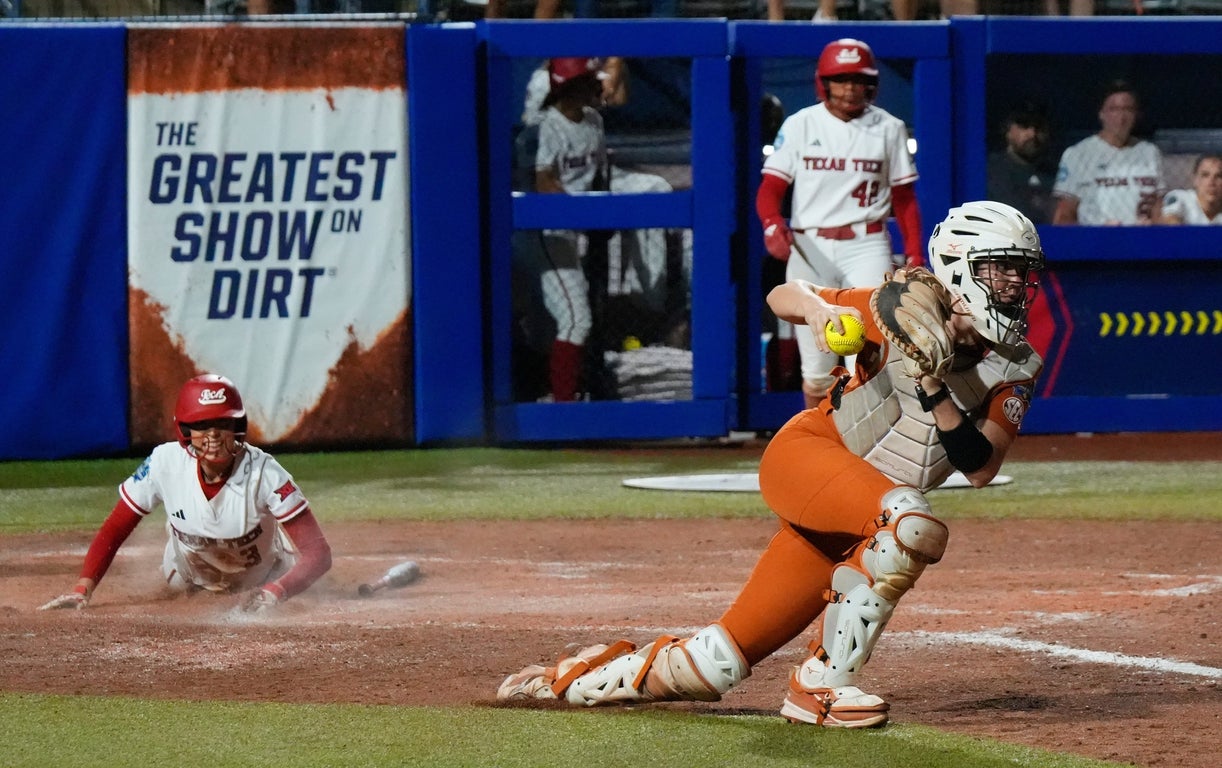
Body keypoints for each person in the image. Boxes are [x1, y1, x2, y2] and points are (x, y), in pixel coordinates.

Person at [497, 201, 1045, 728]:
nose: (1016, 286)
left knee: (716, 664)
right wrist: (821, 310)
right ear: (958, 266)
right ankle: (820, 688)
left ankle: (573, 680)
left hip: (859, 515)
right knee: (912, 524)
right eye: (1001, 270)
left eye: (1023, 274)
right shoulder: (899, 308)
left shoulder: (1016, 365)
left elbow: (979, 467)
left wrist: (933, 386)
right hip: (812, 457)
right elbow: (785, 293)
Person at [39, 374, 332, 614]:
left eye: (222, 424)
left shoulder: (265, 473)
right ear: (185, 430)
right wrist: (82, 589)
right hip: (186, 579)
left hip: (264, 578)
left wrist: (275, 592)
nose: (213, 435)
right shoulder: (164, 463)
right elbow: (115, 529)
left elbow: (318, 554)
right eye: (202, 425)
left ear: (238, 428)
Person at [756, 38, 923, 409]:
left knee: (869, 356)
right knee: (815, 367)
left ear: (872, 84)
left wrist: (914, 249)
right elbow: (770, 189)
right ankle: (818, 441)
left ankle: (868, 445)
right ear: (824, 83)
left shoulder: (889, 127)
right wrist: (771, 223)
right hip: (809, 245)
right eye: (841, 79)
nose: (849, 88)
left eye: (857, 79)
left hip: (866, 243)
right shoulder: (800, 123)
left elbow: (905, 199)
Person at [530, 56, 674, 401]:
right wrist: (582, 216)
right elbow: (544, 181)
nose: (597, 86)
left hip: (582, 230)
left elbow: (600, 172)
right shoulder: (546, 125)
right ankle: (563, 411)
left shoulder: (593, 119)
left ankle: (573, 396)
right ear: (568, 87)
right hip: (550, 234)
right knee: (575, 320)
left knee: (575, 321)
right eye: (587, 81)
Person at [1052, 79, 1165, 226]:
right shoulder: (1078, 153)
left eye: (1128, 109)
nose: (1121, 117)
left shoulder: (1149, 152)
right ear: (1102, 114)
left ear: (1136, 115)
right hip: (1096, 240)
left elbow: (1159, 206)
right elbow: (1064, 214)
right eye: (1114, 109)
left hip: (1141, 238)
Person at [986, 102, 1057, 225]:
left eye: (1038, 127)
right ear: (1008, 131)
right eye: (1024, 126)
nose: (1032, 134)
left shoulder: (1056, 173)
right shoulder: (989, 171)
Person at [1155, 154, 1222, 225]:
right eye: (1205, 175)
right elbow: (1170, 222)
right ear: (1195, 180)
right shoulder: (1180, 198)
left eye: (1219, 176)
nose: (1211, 183)